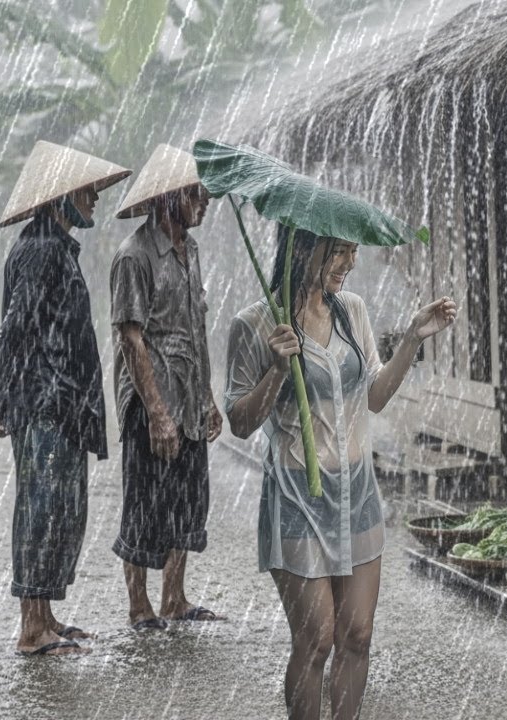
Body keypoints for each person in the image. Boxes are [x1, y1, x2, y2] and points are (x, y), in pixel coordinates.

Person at [224, 225, 457, 720]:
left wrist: (413, 337)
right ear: (302, 249)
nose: (350, 261)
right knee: (315, 641)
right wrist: (278, 370)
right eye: (339, 251)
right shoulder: (256, 323)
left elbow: (374, 396)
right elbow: (240, 421)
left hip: (357, 495)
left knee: (357, 636)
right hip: (296, 500)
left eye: (353, 251)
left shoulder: (352, 312)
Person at [0, 140, 131, 656]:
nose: (94, 198)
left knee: (60, 510)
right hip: (45, 403)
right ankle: (30, 629)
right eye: (86, 190)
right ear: (60, 196)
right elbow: (16, 328)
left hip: (59, 404)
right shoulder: (41, 250)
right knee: (43, 510)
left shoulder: (52, 244)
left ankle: (44, 616)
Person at [109, 144, 222, 630]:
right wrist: (157, 412)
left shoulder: (192, 252)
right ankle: (140, 606)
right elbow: (131, 339)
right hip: (151, 401)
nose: (206, 199)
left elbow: (194, 331)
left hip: (190, 399)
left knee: (188, 498)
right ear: (169, 196)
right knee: (144, 500)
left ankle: (174, 598)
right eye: (197, 192)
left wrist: (208, 399)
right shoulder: (135, 256)